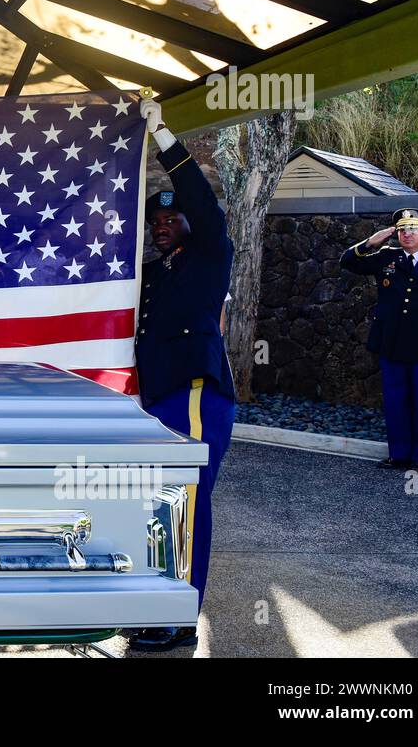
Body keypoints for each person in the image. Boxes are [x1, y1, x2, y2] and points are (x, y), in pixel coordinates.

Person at [127, 99, 236, 653]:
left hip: (194, 395)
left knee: (185, 502)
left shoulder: (209, 255)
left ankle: (180, 616)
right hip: (158, 397)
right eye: (157, 220)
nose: (164, 226)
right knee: (155, 504)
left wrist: (163, 138)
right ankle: (156, 606)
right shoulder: (151, 271)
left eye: (174, 219)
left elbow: (204, 206)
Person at [340, 208, 418, 475]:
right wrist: (372, 241)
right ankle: (399, 455)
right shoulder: (386, 257)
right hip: (391, 344)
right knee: (395, 402)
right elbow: (347, 262)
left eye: (413, 229)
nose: (406, 234)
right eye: (402, 230)